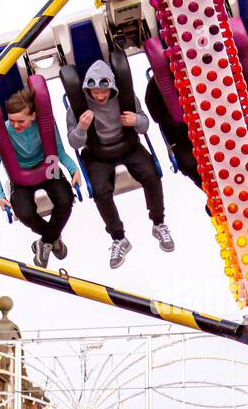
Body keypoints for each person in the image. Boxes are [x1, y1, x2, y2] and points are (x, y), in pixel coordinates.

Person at [67, 60, 174, 268]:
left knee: (151, 173)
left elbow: (145, 125)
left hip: (128, 146)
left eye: (103, 91)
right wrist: (81, 128)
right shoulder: (77, 107)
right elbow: (74, 142)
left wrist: (136, 120)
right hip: (97, 153)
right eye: (94, 91)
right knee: (100, 191)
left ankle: (159, 223)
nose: (99, 96)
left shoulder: (125, 98)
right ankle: (118, 238)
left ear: (112, 87)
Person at [0, 88, 80, 269]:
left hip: (48, 165)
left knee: (66, 199)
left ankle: (44, 241)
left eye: (20, 121)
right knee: (23, 212)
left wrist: (73, 169)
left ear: (33, 116)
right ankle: (52, 238)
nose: (15, 125)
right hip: (20, 174)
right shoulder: (5, 131)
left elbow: (59, 151)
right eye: (12, 121)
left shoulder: (45, 123)